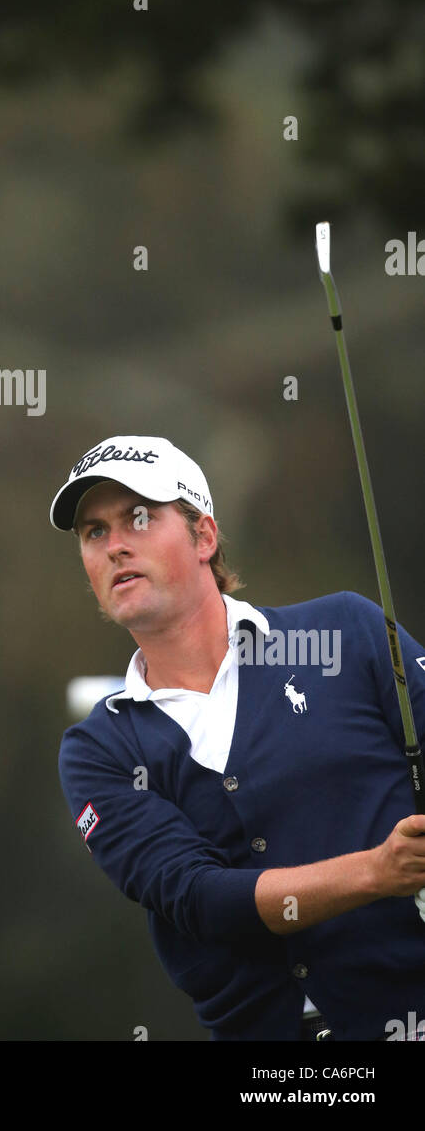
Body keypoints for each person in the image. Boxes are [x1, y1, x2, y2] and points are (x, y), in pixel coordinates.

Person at [52, 436, 425, 1042]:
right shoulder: (98, 751)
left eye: (139, 519)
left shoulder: (344, 631)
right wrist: (378, 872)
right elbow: (201, 901)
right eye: (94, 532)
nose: (115, 544)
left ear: (204, 537)